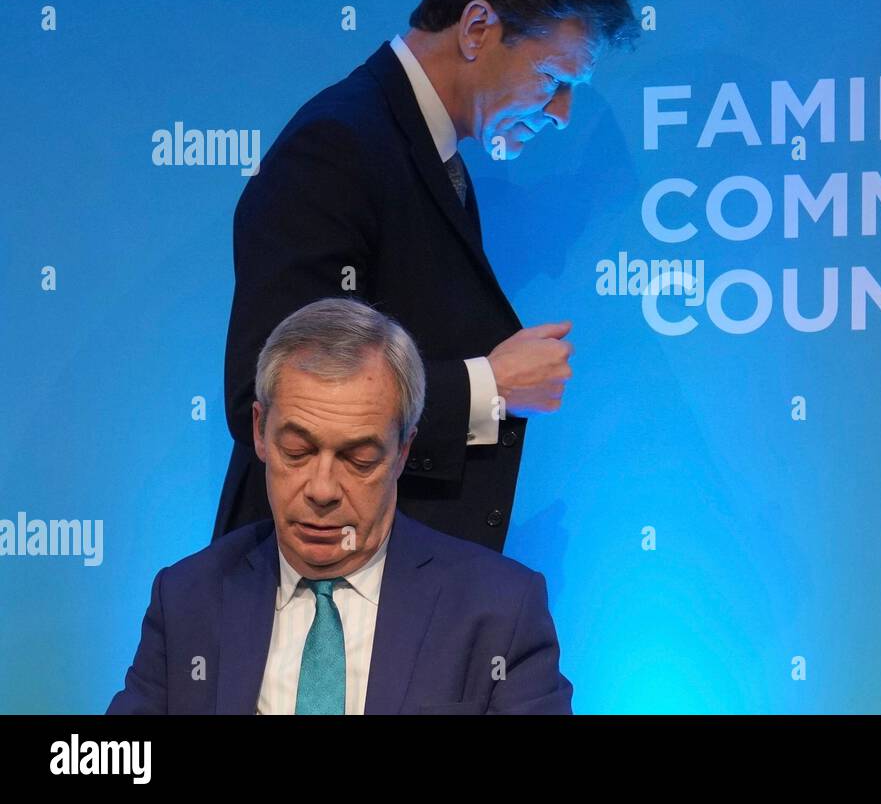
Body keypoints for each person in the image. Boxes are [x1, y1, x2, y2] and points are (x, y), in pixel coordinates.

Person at [213, 0, 639, 551]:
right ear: (476, 27)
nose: (562, 112)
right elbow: (271, 396)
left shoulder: (422, 149)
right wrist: (489, 387)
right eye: (553, 79)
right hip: (318, 589)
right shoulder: (338, 145)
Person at [109, 298, 572, 714]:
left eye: (359, 459)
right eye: (297, 451)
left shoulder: (499, 610)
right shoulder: (189, 598)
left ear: (403, 452)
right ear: (259, 432)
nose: (323, 489)